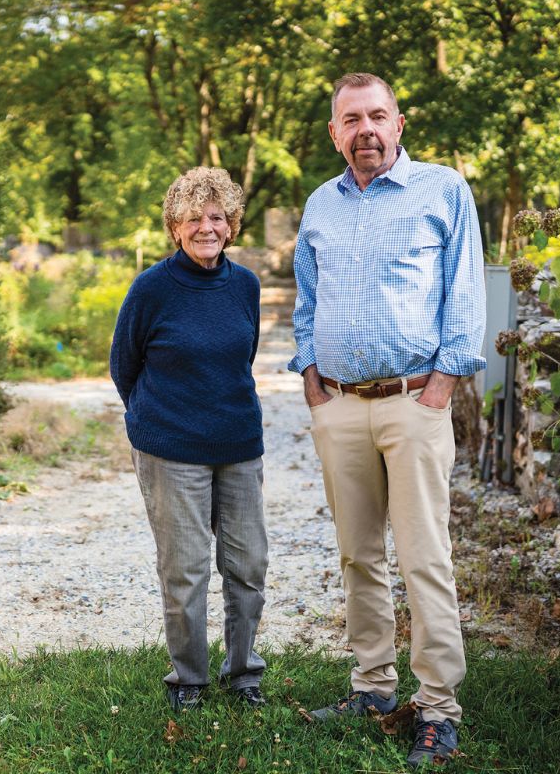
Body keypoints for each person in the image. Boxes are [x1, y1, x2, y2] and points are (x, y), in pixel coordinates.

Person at [287, 72, 485, 767]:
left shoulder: (443, 190)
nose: (365, 129)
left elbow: (464, 293)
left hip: (414, 402)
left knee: (424, 556)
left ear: (399, 124)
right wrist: (312, 379)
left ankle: (438, 707)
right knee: (357, 554)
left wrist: (442, 386)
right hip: (340, 406)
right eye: (351, 119)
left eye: (377, 116)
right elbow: (306, 298)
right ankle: (371, 686)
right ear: (334, 132)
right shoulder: (320, 204)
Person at [110, 166, 267, 713]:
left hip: (238, 446)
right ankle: (189, 680)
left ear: (231, 225)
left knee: (248, 566)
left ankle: (243, 674)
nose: (207, 227)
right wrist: (158, 421)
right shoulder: (151, 288)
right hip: (170, 450)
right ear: (175, 227)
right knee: (185, 570)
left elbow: (241, 358)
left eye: (217, 217)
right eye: (194, 218)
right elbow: (124, 366)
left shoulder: (246, 286)